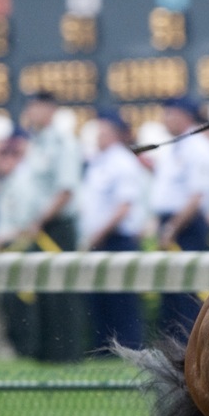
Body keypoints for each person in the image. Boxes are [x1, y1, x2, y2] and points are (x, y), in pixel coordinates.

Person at [8, 91, 85, 361]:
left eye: (36, 107)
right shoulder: (36, 142)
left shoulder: (64, 143)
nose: (31, 112)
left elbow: (66, 190)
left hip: (57, 227)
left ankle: (66, 353)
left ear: (51, 109)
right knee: (41, 289)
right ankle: (46, 353)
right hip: (39, 227)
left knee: (60, 291)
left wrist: (39, 220)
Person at [149, 95, 209, 338]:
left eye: (169, 113)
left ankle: (189, 345)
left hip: (186, 226)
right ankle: (171, 345)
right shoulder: (174, 146)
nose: (165, 118)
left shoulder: (197, 147)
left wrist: (172, 227)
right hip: (171, 224)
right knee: (170, 291)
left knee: (187, 293)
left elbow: (196, 196)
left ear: (184, 116)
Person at [78, 109, 148, 351]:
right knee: (102, 299)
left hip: (117, 239)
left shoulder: (122, 161)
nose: (98, 136)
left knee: (122, 300)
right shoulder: (99, 161)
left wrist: (98, 234)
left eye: (103, 131)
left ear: (115, 134)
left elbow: (124, 206)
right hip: (101, 240)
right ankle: (104, 350)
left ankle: (128, 348)